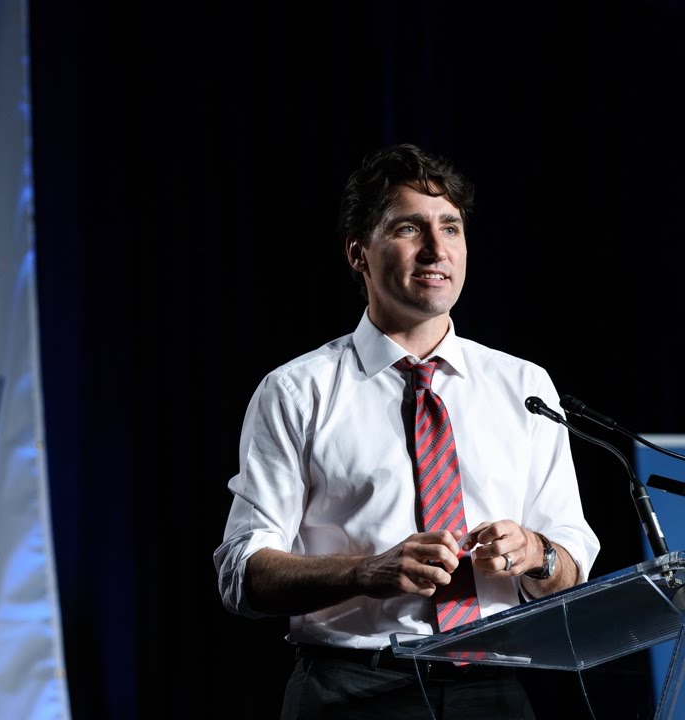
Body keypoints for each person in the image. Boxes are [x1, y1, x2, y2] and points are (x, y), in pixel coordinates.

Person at [212, 142, 600, 719]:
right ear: (357, 254)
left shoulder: (527, 387)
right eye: (408, 229)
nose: (436, 250)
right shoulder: (297, 391)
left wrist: (537, 554)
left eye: (451, 227)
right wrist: (365, 572)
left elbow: (570, 566)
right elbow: (242, 572)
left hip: (493, 687)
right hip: (350, 691)